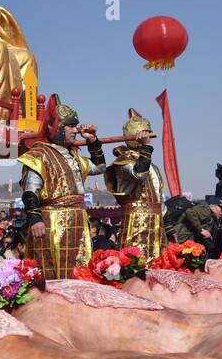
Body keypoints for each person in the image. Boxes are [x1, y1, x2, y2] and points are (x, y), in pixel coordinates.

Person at [16, 101, 105, 278]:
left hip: (78, 220)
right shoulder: (39, 154)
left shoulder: (75, 157)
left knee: (78, 270)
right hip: (53, 222)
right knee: (52, 271)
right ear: (56, 128)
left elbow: (100, 167)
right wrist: (35, 218)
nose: (75, 131)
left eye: (75, 126)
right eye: (70, 126)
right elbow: (30, 191)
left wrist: (93, 141)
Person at [104, 109, 166, 260]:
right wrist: (146, 148)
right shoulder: (124, 161)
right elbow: (138, 174)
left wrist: (168, 225)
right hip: (136, 222)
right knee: (134, 263)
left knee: (158, 263)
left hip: (156, 223)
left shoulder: (153, 166)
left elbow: (160, 198)